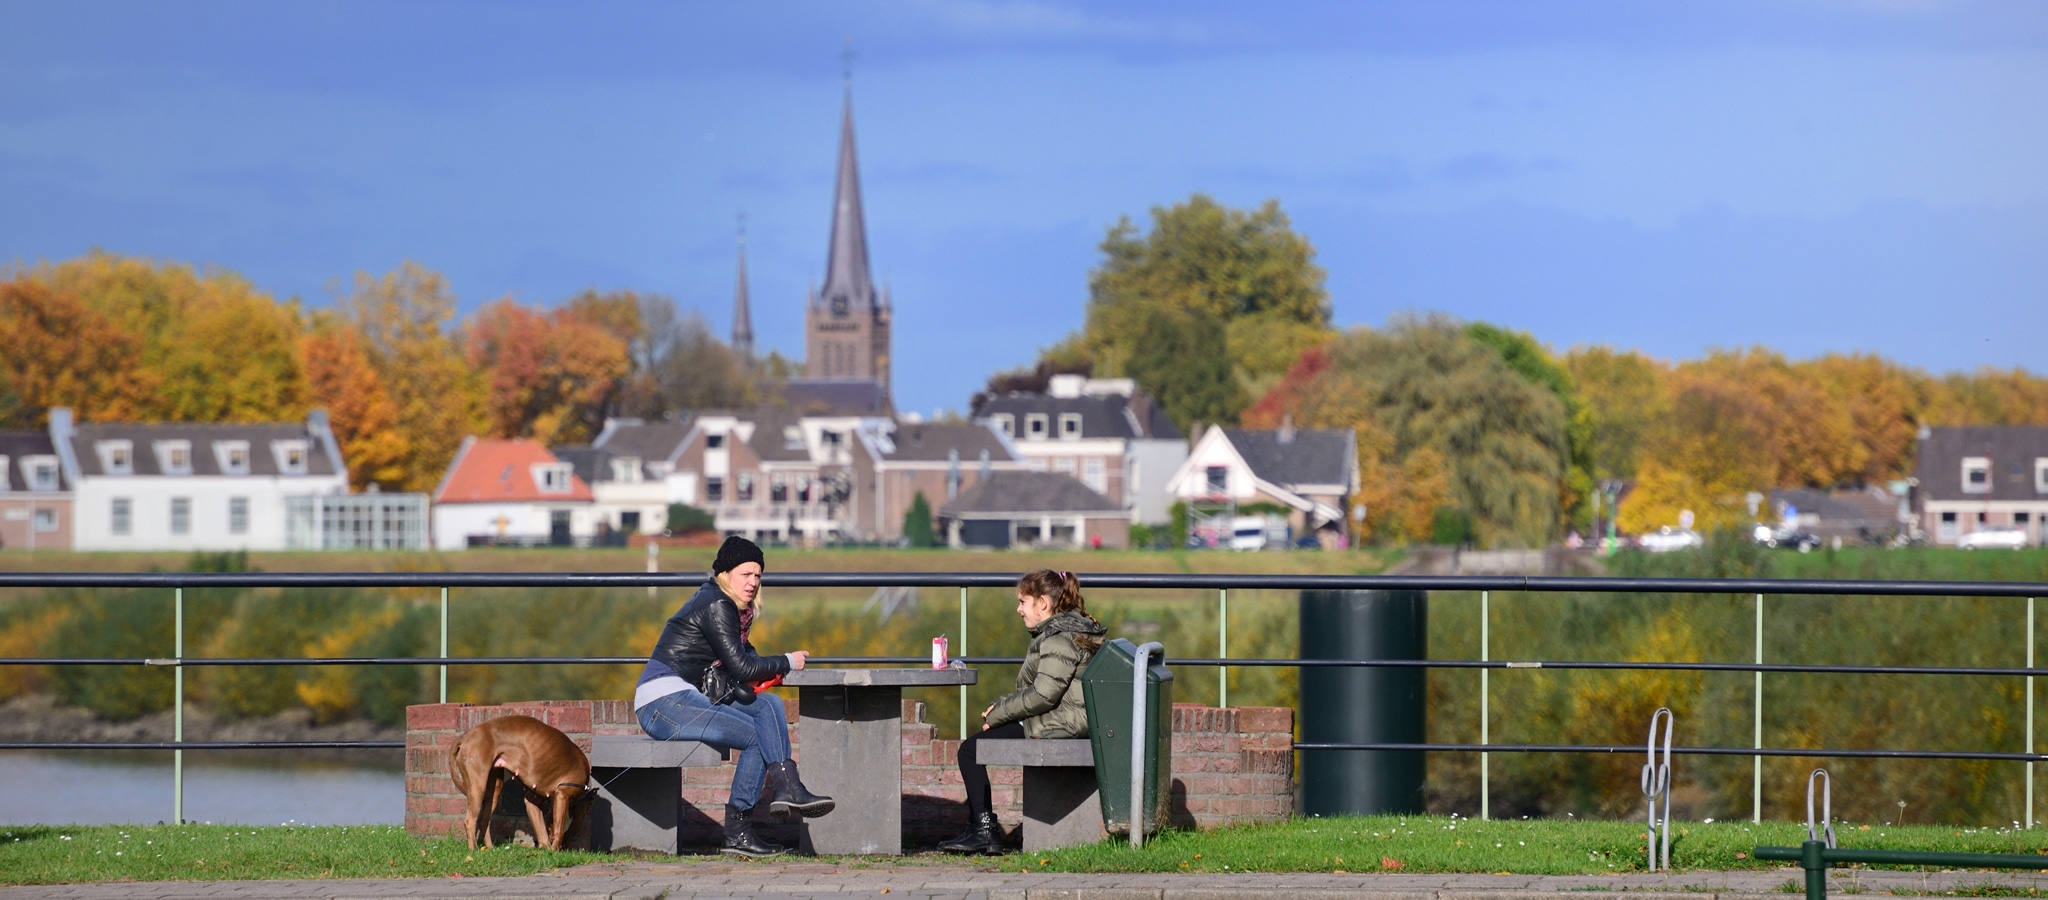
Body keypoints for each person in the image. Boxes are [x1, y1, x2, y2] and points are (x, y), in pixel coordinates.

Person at [634, 535, 833, 857]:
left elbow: (746, 662)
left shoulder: (734, 610)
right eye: (746, 574)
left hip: (687, 698)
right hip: (662, 703)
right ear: (725, 574)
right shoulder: (716, 604)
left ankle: (787, 786)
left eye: (758, 575)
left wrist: (770, 671)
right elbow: (741, 667)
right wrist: (786, 660)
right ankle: (740, 830)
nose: (753, 582)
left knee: (768, 704)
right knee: (756, 736)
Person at [939, 569, 1107, 855]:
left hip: (1062, 725)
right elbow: (1044, 691)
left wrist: (1000, 713)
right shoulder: (1071, 629)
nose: (1018, 610)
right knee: (977, 745)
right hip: (1070, 720)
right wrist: (1003, 707)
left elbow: (1044, 694)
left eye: (1022, 602)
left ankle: (984, 831)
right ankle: (980, 827)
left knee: (970, 751)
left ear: (1043, 602)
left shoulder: (1058, 638)